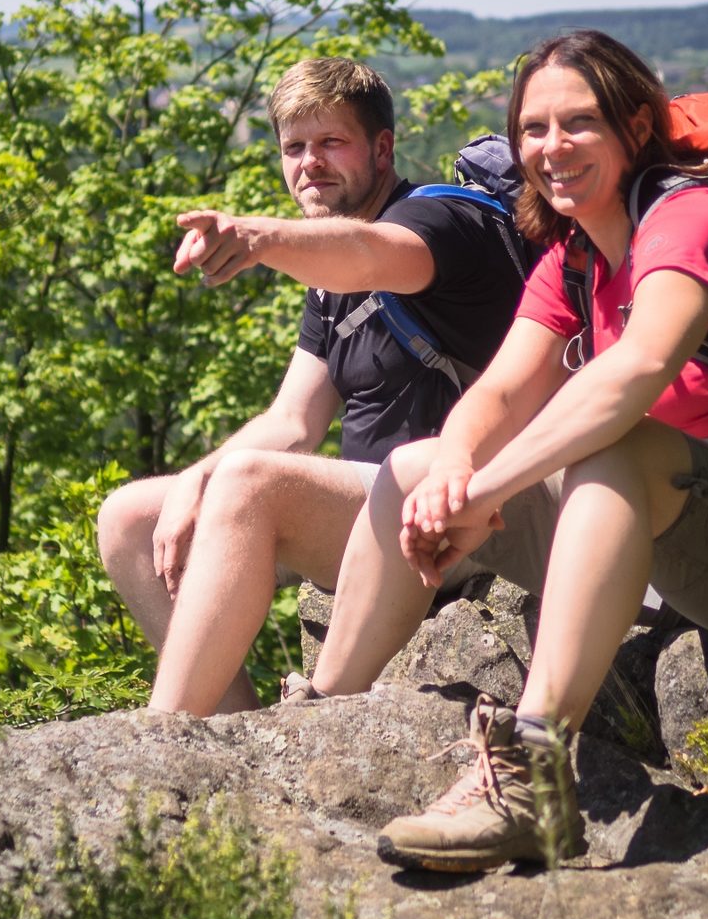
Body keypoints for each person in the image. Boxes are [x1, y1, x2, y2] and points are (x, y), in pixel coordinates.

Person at [304, 29, 708, 872]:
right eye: (533, 128)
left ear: (636, 127)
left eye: (579, 123)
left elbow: (634, 372)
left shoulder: (689, 222)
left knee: (616, 446)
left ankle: (534, 774)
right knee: (414, 467)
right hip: (665, 548)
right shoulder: (574, 257)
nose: (551, 147)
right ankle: (324, 712)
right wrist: (455, 469)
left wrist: (487, 492)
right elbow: (500, 391)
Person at [97, 56, 541, 716]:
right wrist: (196, 476)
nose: (310, 163)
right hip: (370, 512)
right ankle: (222, 733)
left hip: (461, 510)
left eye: (332, 142)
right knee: (130, 517)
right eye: (294, 147)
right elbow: (294, 422)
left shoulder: (442, 225)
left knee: (250, 482)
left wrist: (257, 237)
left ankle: (166, 736)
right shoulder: (326, 284)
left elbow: (370, 255)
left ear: (382, 149)